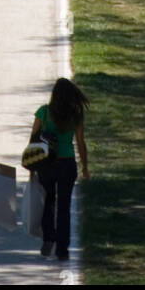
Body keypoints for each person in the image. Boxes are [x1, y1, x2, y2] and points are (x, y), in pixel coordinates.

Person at [28, 77, 90, 261]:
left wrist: (32, 165)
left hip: (47, 163)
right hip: (67, 164)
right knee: (64, 207)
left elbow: (33, 138)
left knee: (47, 202)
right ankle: (62, 249)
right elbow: (80, 142)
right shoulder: (75, 114)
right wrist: (85, 166)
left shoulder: (44, 112)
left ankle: (49, 237)